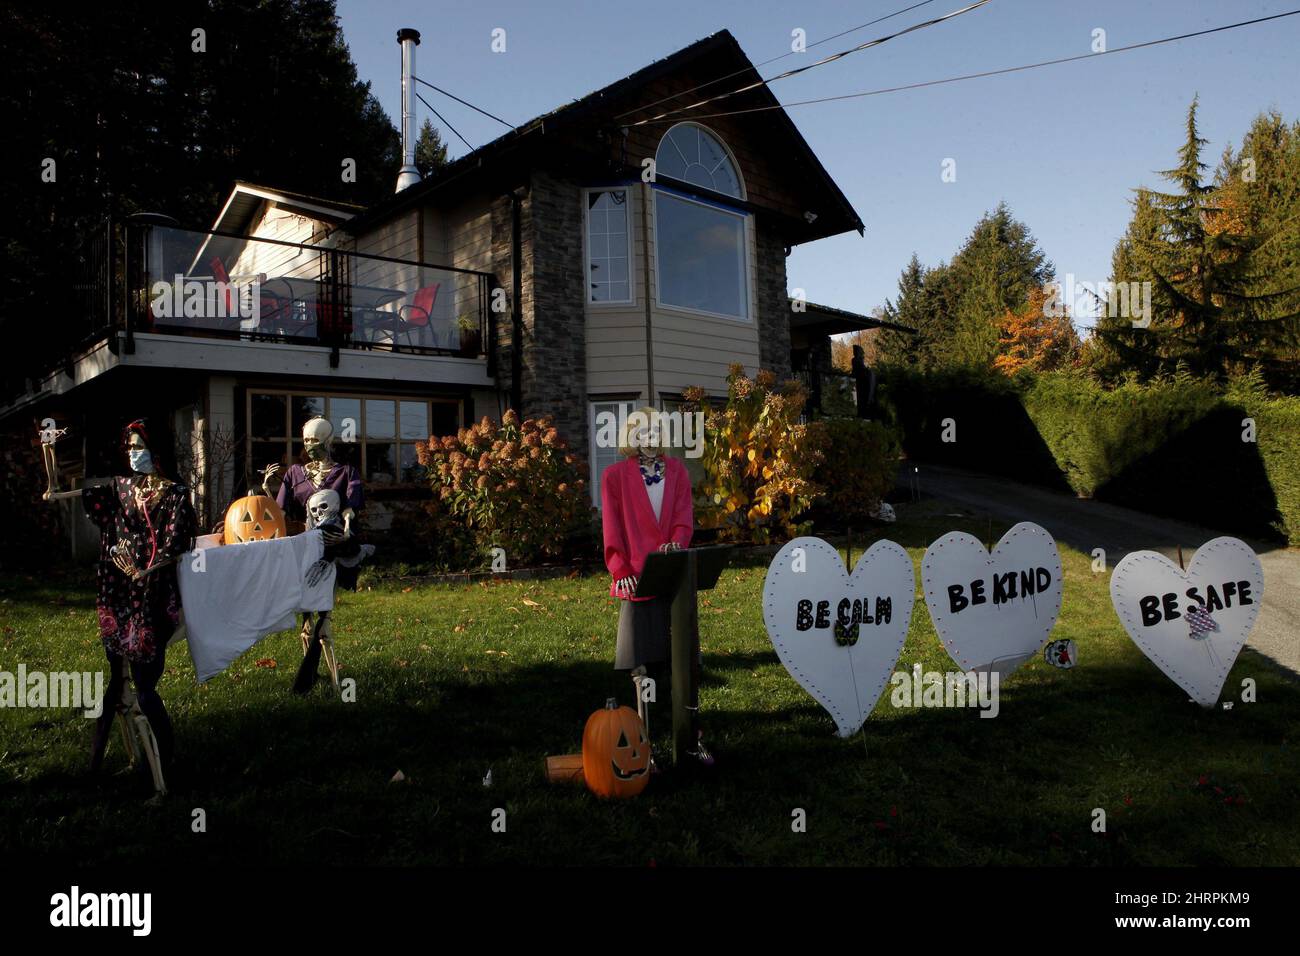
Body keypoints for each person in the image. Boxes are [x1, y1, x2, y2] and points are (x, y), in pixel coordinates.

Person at [44, 419, 196, 774]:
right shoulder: (121, 488)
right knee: (121, 681)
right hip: (117, 592)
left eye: (138, 447)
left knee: (145, 686)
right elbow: (76, 496)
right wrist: (52, 483)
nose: (132, 453)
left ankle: (165, 765)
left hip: (151, 594)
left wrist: (148, 568)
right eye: (129, 447)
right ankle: (135, 759)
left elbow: (178, 544)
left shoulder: (174, 493)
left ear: (156, 452)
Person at [600, 406, 711, 766]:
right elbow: (613, 529)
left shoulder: (677, 471)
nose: (648, 437)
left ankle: (691, 738)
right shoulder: (614, 477)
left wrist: (676, 546)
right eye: (640, 431)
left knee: (683, 663)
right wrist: (619, 569)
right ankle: (642, 744)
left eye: (654, 430)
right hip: (636, 578)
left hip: (673, 575)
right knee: (641, 668)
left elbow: (683, 519)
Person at [262, 416, 364, 693]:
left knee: (324, 614)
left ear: (328, 442)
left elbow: (350, 508)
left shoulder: (347, 473)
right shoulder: (295, 474)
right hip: (304, 545)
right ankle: (310, 673)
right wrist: (264, 491)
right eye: (306, 440)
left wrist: (346, 529)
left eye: (315, 440)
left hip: (333, 546)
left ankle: (334, 681)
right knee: (305, 616)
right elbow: (279, 511)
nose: (310, 445)